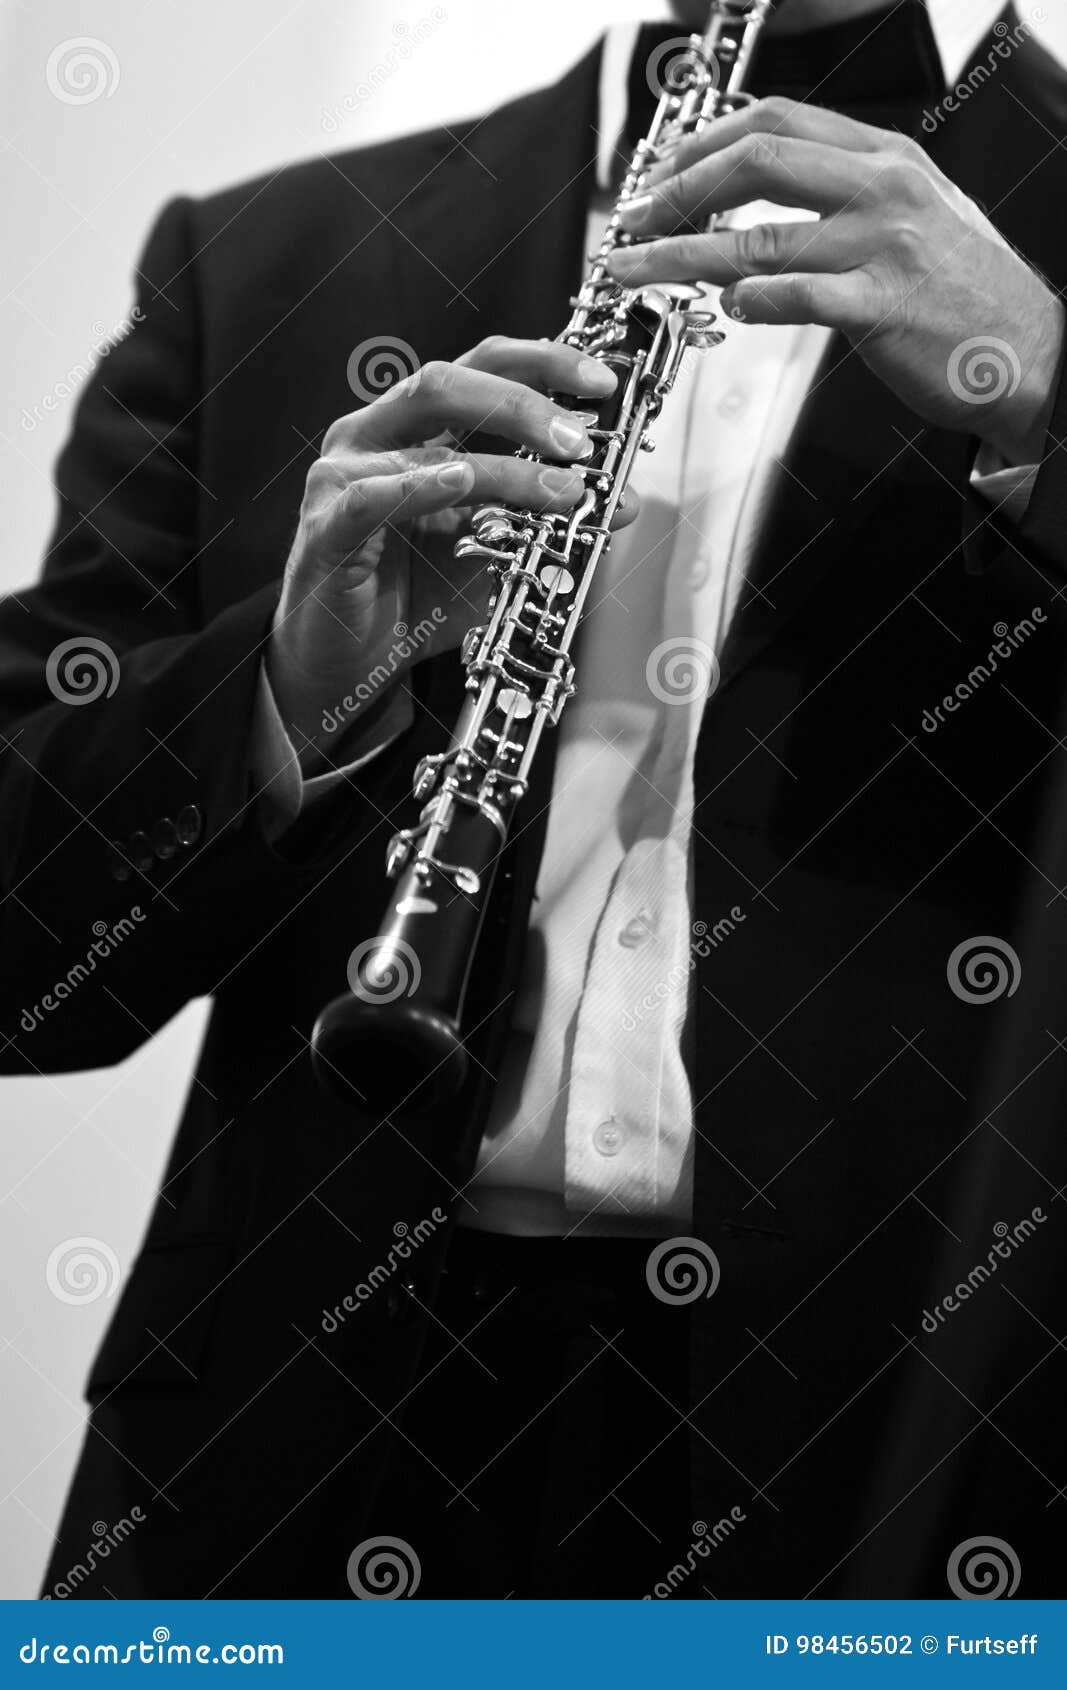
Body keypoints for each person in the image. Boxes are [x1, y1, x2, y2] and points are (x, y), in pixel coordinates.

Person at [3, 0, 1066, 1598]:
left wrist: (1053, 390)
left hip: (924, 1437)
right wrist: (293, 690)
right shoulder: (267, 260)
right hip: (297, 1441)